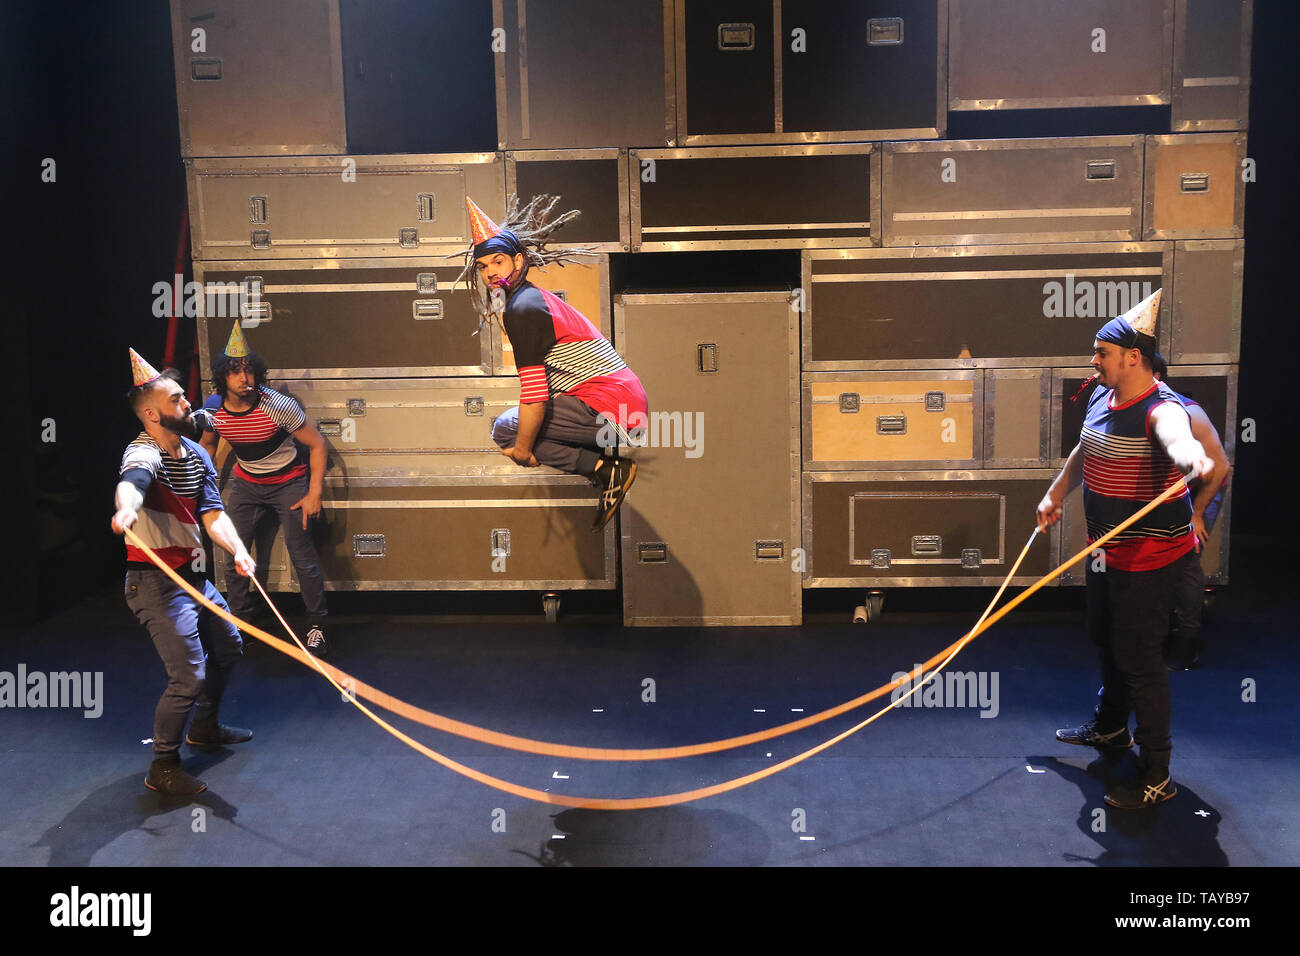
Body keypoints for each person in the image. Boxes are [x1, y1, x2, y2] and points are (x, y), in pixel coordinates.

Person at [1036, 290, 1214, 810]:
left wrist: (1190, 456)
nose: (1093, 361)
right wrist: (1055, 493)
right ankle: (1112, 727)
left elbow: (1176, 436)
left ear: (1133, 357)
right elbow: (1085, 448)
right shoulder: (1102, 394)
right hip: (1104, 550)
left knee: (1140, 660)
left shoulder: (1160, 408)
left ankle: (1157, 772)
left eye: (1102, 353)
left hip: (1148, 560)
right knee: (1106, 639)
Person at [112, 348, 257, 796]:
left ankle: (205, 728)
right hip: (156, 584)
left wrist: (238, 549)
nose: (188, 403)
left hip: (194, 580)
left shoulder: (195, 453)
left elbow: (213, 515)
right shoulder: (143, 451)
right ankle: (163, 765)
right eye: (176, 399)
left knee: (228, 647)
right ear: (152, 414)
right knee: (188, 676)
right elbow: (133, 481)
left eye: (183, 396)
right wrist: (127, 509)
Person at [457, 195, 647, 530]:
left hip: (613, 409)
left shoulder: (523, 309)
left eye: (498, 262)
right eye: (483, 267)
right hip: (618, 404)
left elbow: (535, 395)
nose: (490, 273)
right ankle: (602, 468)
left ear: (518, 260)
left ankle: (607, 470)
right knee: (520, 428)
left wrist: (522, 449)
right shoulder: (527, 298)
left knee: (506, 428)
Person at [197, 323, 332, 656]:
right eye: (236, 372)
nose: (245, 378)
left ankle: (316, 626)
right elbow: (208, 444)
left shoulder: (276, 406)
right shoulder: (213, 408)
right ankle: (241, 625)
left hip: (288, 482)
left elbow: (317, 444)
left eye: (249, 371)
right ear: (222, 377)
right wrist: (203, 484)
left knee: (302, 556)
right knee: (234, 553)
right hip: (248, 484)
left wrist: (314, 492)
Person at [1151, 353, 1231, 670]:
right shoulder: (1140, 409)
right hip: (1176, 488)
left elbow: (1220, 468)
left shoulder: (1188, 412)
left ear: (1155, 376)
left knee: (1186, 558)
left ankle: (1187, 643)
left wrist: (1196, 514)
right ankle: (1163, 630)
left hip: (1204, 487)